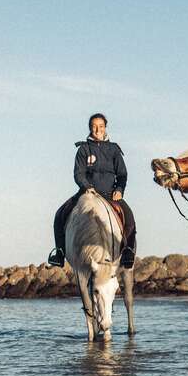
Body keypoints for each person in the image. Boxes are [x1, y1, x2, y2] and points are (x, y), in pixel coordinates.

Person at [47, 113, 136, 268]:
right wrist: (87, 187)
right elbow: (78, 174)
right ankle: (60, 252)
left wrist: (119, 189)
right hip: (87, 193)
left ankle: (128, 250)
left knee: (129, 216)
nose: (98, 129)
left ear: (105, 128)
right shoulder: (83, 149)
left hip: (110, 194)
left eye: (101, 126)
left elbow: (122, 174)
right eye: (94, 126)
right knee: (60, 214)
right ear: (90, 128)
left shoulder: (114, 150)